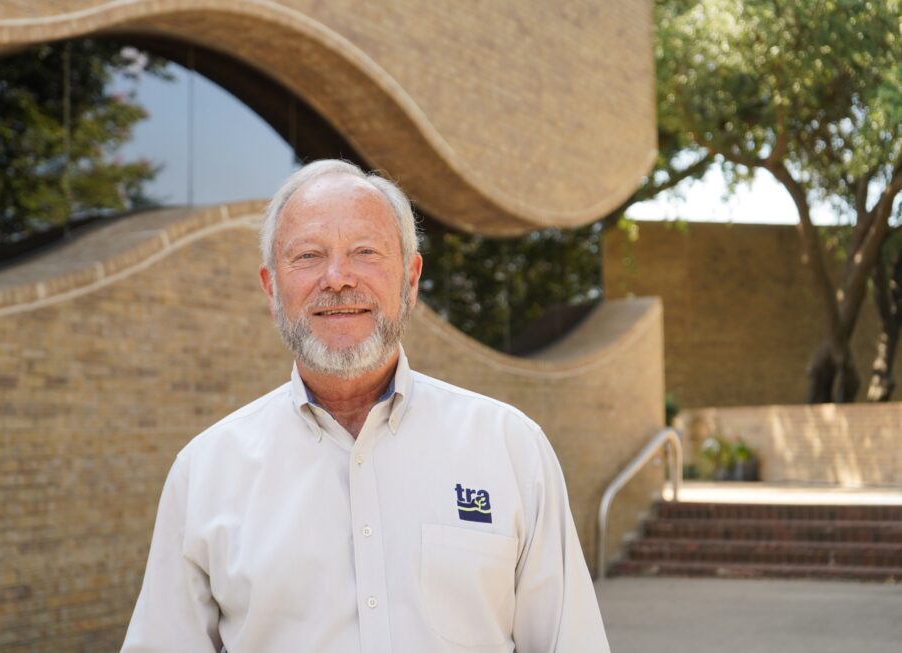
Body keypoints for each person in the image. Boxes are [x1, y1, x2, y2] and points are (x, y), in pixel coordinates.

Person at [121, 160, 610, 652]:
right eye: (308, 255)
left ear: (410, 280)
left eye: (365, 252)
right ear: (271, 288)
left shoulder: (512, 450)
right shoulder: (205, 472)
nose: (337, 278)